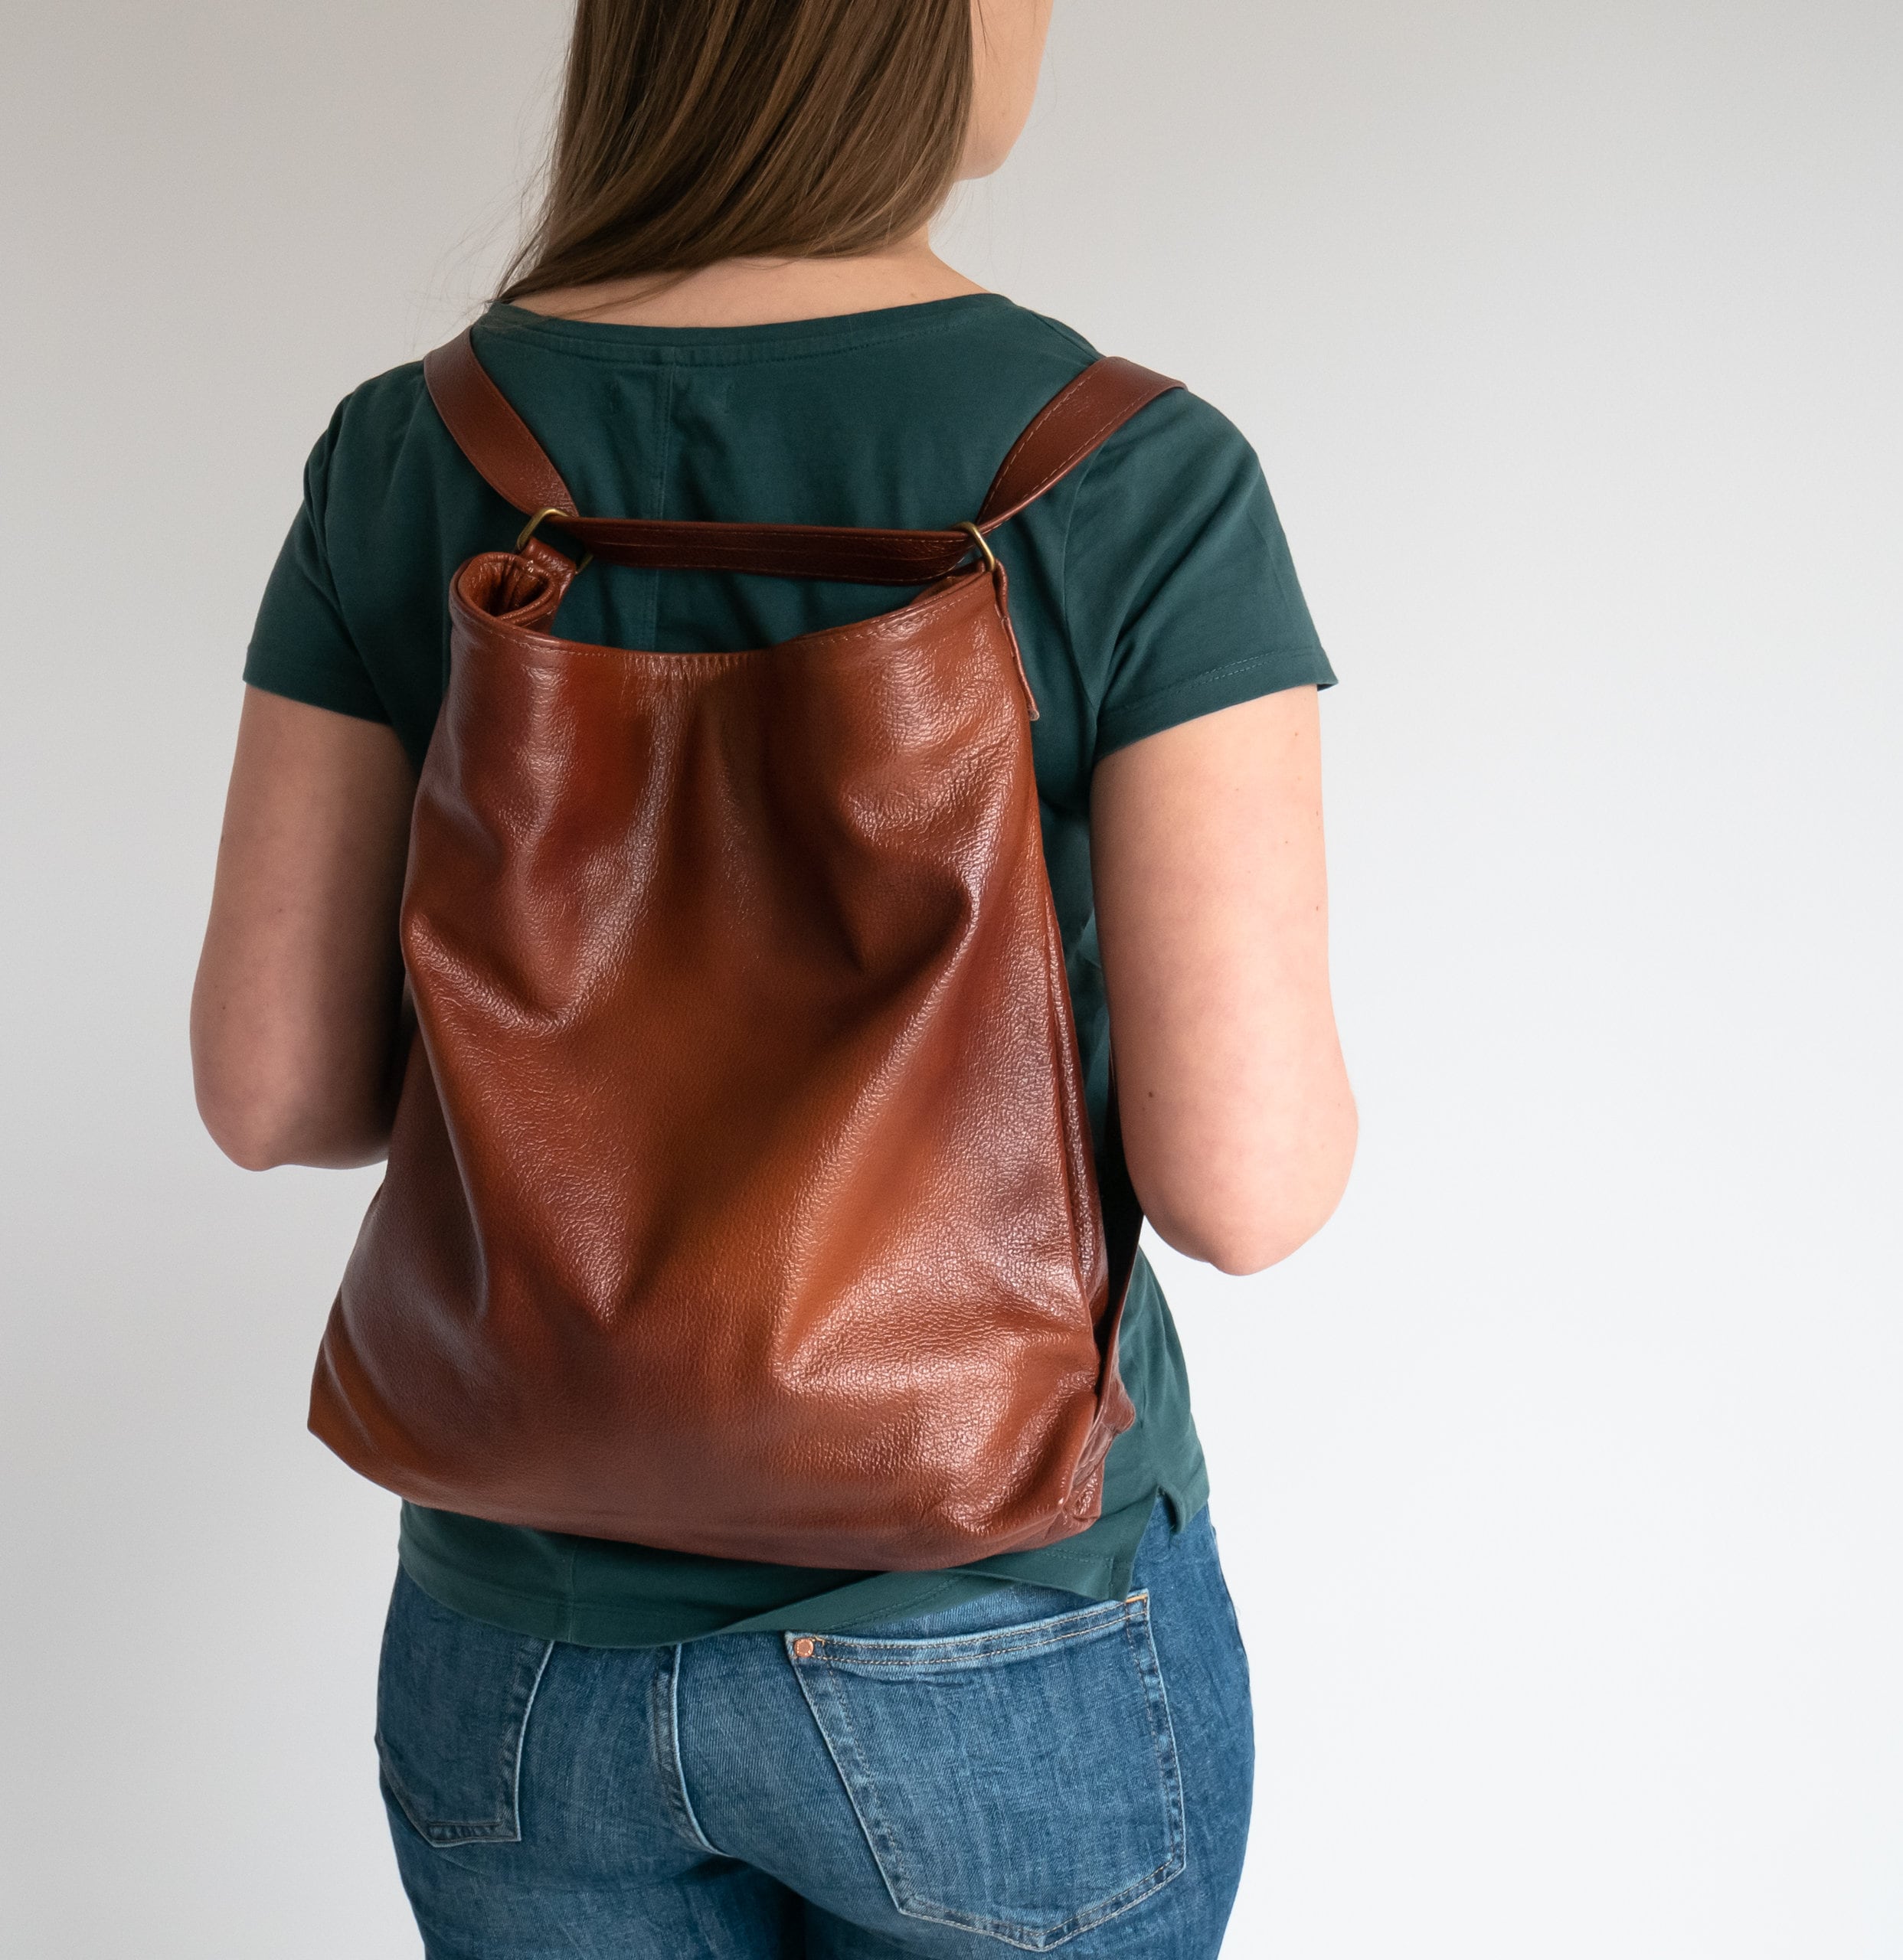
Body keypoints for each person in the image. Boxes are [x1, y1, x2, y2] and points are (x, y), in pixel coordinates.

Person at [191, 0, 1357, 1952]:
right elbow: (1250, 1187)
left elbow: (272, 1087)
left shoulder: (408, 449)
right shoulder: (1141, 477)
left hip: (522, 1657)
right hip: (996, 1624)